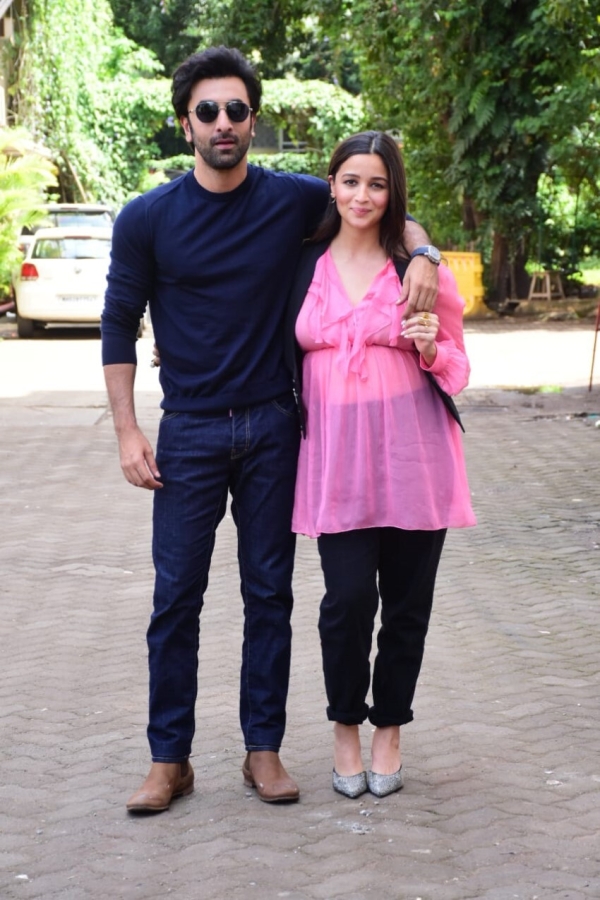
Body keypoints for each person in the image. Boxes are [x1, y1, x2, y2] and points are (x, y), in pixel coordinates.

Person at [101, 46, 440, 813]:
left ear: (254, 119)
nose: (224, 123)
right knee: (175, 598)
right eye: (208, 111)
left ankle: (264, 750)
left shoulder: (291, 201)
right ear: (184, 121)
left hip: (273, 424)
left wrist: (422, 249)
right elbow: (118, 324)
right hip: (186, 428)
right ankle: (169, 759)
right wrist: (127, 432)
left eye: (237, 110)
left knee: (270, 596)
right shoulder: (147, 218)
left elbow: (372, 196)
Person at [285, 131, 476, 799]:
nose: (362, 195)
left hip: (414, 462)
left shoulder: (418, 270)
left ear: (393, 193)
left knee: (406, 607)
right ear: (330, 186)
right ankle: (345, 725)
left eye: (377, 184)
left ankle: (390, 727)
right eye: (350, 181)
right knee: (345, 603)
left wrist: (428, 349)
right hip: (335, 464)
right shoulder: (302, 263)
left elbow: (457, 368)